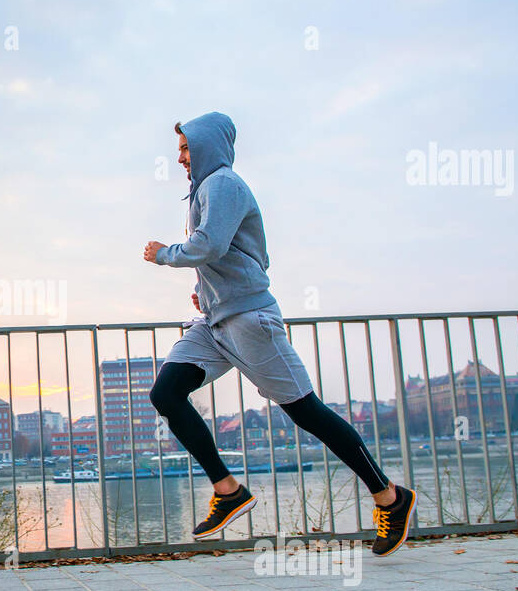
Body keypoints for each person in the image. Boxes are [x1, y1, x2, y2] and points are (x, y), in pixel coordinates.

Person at [143, 111, 416, 557]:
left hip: (251, 320)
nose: (180, 158)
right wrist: (206, 292)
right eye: (179, 150)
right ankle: (228, 489)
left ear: (208, 145)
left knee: (306, 412)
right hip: (215, 323)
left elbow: (209, 246)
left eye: (186, 148)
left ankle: (389, 496)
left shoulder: (223, 184)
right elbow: (236, 256)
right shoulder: (204, 192)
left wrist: (164, 254)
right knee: (167, 392)